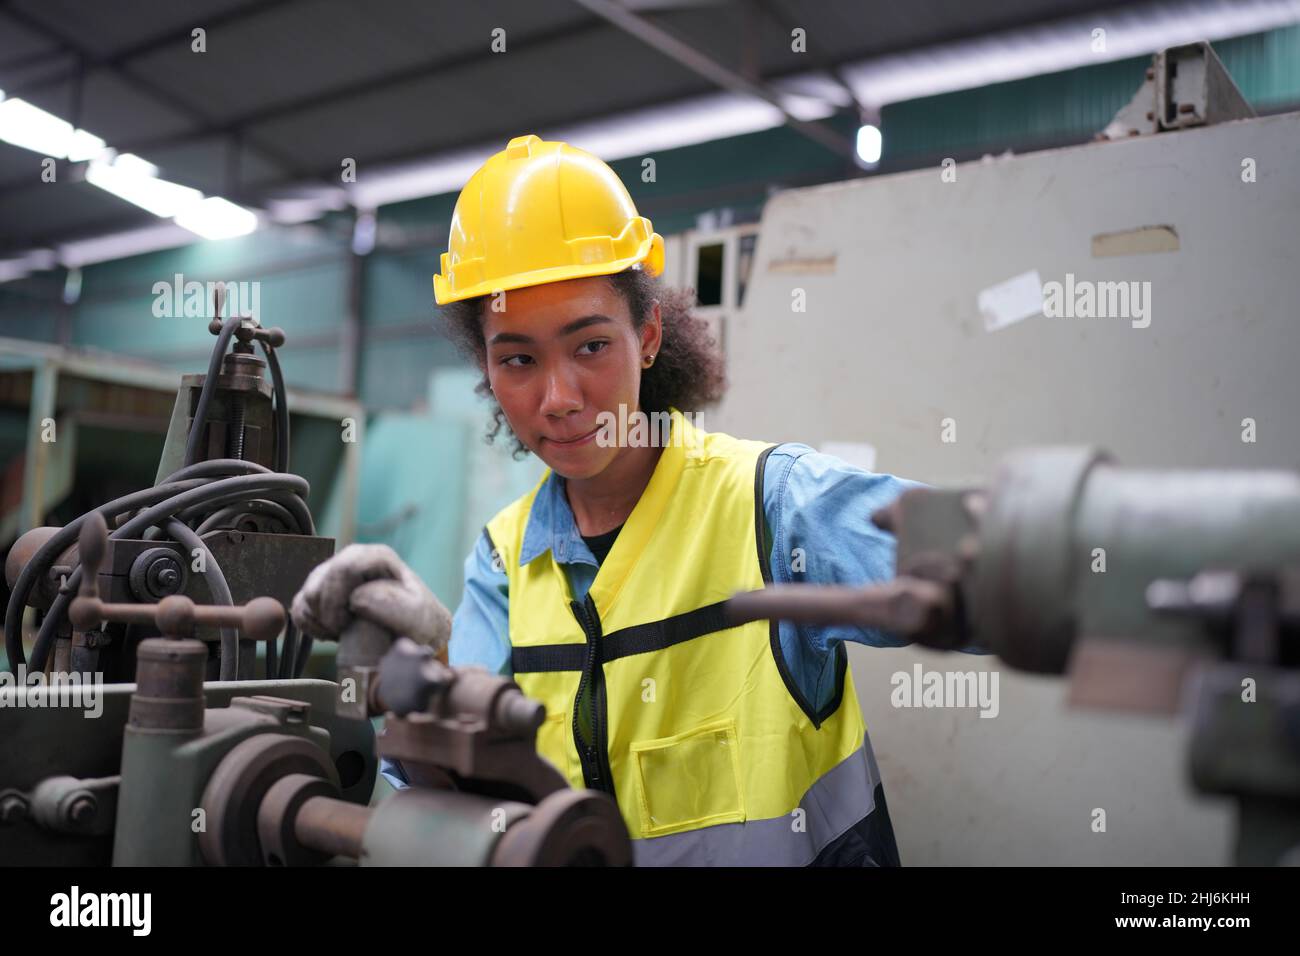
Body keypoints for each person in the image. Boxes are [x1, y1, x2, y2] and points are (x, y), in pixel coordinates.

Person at [294, 134, 925, 866]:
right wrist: (429, 669)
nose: (559, 399)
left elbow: (977, 559)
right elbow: (450, 796)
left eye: (590, 345)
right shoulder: (503, 561)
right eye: (519, 359)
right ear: (487, 370)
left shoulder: (772, 507)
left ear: (648, 335)